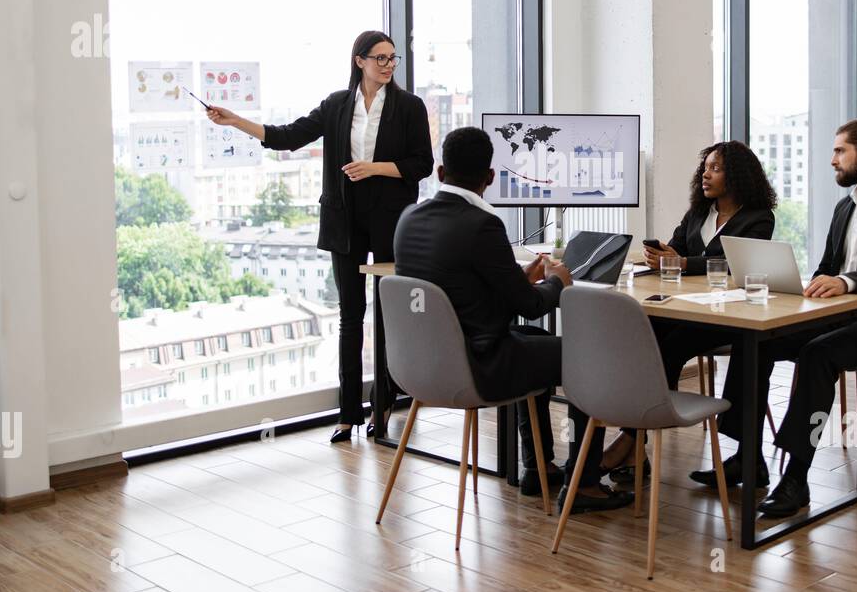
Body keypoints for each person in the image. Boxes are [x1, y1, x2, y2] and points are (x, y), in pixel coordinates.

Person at [689, 120, 857, 518]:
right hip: (836, 317)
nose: (833, 160)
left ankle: (796, 477)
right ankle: (748, 458)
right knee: (755, 341)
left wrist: (845, 282)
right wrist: (806, 285)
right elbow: (826, 267)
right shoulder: (844, 207)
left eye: (840, 151)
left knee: (817, 355)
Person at [205, 30, 433, 443]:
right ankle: (347, 413)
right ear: (359, 61)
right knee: (350, 317)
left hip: (389, 221)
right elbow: (287, 137)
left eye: (392, 58)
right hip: (344, 220)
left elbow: (422, 164)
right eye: (380, 58)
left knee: (388, 316)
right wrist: (236, 121)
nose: (388, 65)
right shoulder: (336, 105)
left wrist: (374, 167)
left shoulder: (409, 107)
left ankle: (383, 404)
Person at [393, 127, 631, 515]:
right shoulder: (482, 226)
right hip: (478, 365)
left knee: (533, 342)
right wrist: (559, 282)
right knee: (581, 354)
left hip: (424, 366)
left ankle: (537, 468)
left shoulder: (409, 219)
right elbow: (532, 306)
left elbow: (461, 291)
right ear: (489, 177)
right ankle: (584, 483)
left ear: (439, 171)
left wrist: (521, 281)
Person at [598, 140, 776, 483]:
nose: (705, 175)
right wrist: (664, 254)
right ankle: (635, 440)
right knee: (647, 337)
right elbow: (677, 249)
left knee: (667, 345)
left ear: (737, 176)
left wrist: (681, 262)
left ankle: (633, 441)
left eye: (715, 168)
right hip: (686, 308)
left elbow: (735, 265)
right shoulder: (698, 213)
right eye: (705, 168)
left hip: (729, 314)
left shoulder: (758, 219)